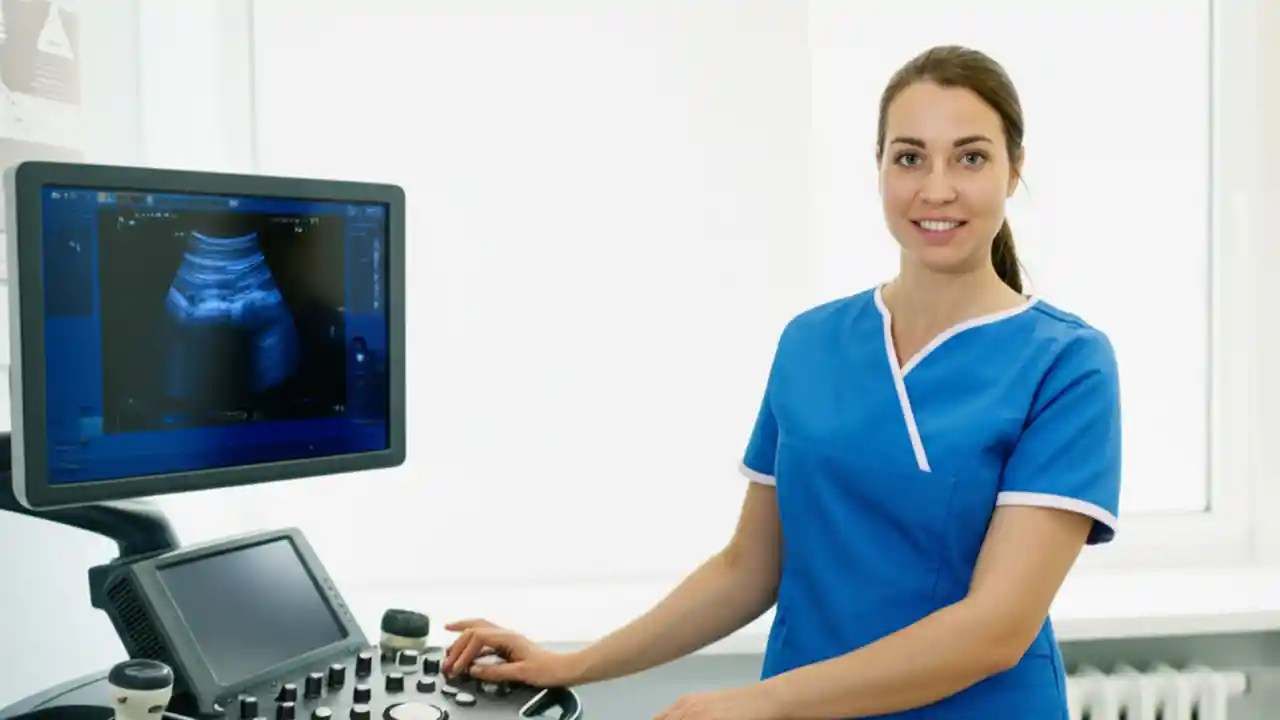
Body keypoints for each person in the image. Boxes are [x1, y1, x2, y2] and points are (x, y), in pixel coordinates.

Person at [441, 44, 1122, 719]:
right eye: (909, 157)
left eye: (969, 157)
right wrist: (572, 665)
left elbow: (995, 630)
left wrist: (762, 702)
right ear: (879, 168)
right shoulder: (811, 342)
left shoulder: (1067, 365)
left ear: (1014, 170)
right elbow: (750, 567)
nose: (935, 188)